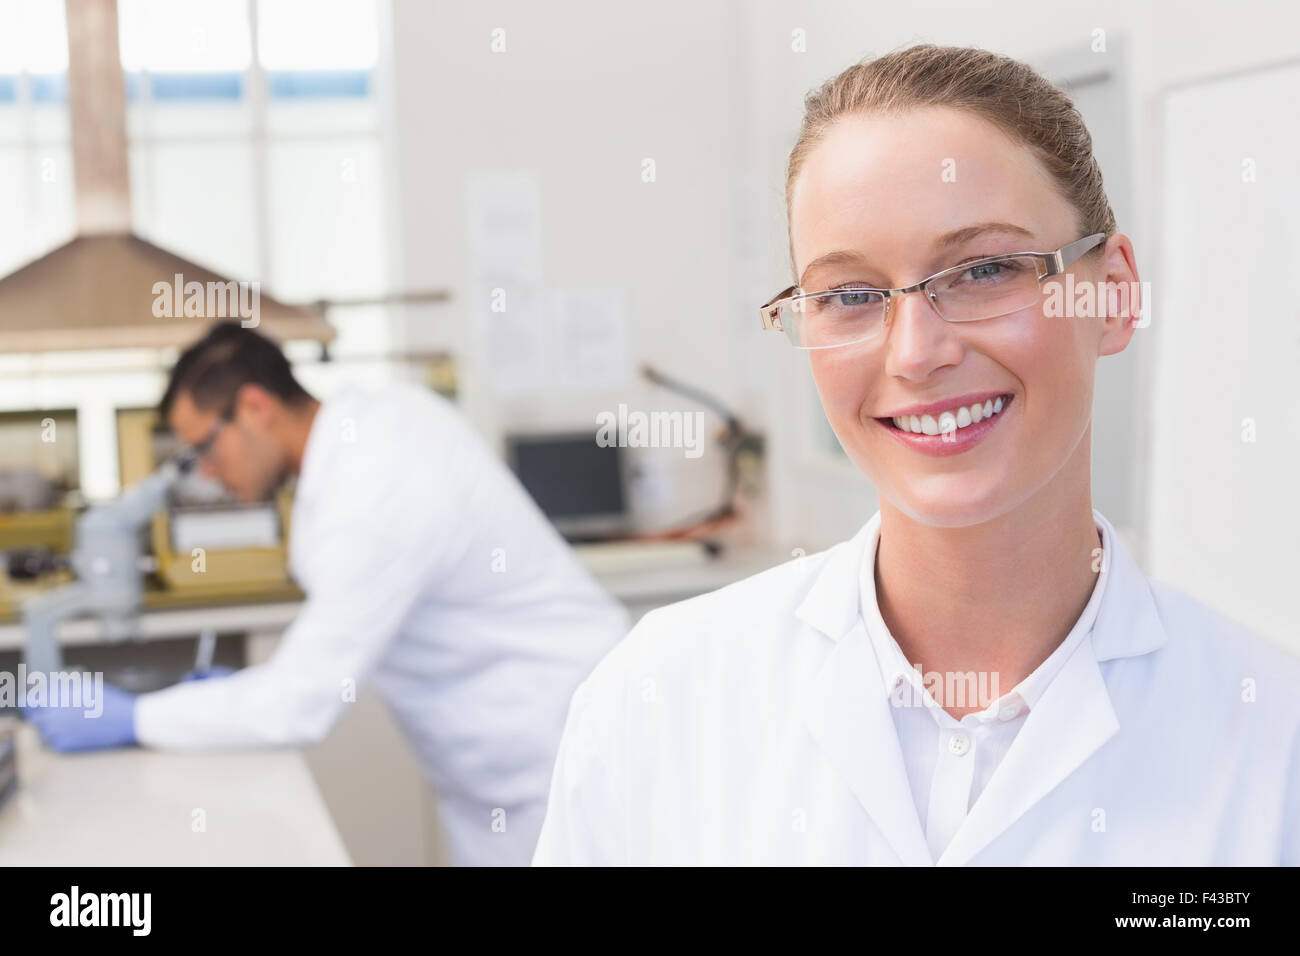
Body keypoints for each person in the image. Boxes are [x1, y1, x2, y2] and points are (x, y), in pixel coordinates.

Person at [532, 44, 1300, 865]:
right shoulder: (660, 696)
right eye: (851, 296)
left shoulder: (1272, 738)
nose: (914, 353)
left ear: (1111, 294)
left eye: (985, 270)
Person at [25, 322, 630, 866]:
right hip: (496, 773)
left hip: (561, 755)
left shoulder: (377, 480)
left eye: (204, 447)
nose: (205, 471)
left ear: (255, 406)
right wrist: (212, 704)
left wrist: (138, 717)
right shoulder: (364, 430)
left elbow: (301, 702)